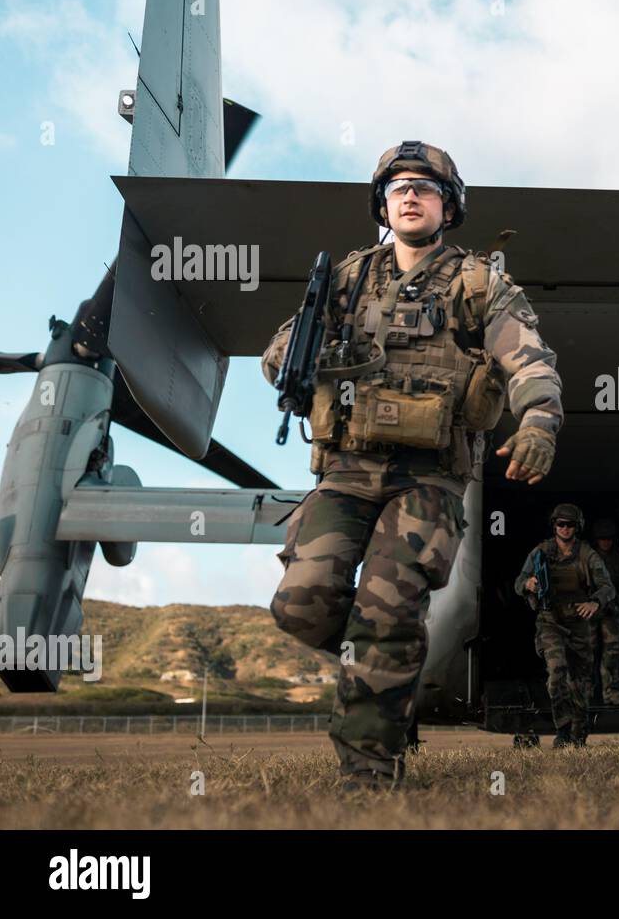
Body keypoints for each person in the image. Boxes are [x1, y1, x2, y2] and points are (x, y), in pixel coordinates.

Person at [261, 140, 563, 789]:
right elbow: (277, 355)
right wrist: (299, 353)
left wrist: (539, 419)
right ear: (382, 203)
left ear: (448, 206)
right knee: (301, 605)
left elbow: (528, 358)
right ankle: (388, 676)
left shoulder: (481, 284)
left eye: (424, 188)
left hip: (428, 476)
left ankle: (368, 772)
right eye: (397, 187)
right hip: (346, 470)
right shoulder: (343, 279)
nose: (410, 195)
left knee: (388, 609)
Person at [514, 504, 614, 746]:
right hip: (550, 622)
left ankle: (578, 734)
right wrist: (528, 584)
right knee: (557, 672)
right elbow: (518, 583)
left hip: (578, 623)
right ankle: (563, 729)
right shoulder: (541, 552)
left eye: (569, 524)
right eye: (561, 524)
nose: (565, 528)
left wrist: (594, 603)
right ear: (554, 525)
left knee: (580, 683)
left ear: (577, 527)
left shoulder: (586, 554)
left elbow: (607, 587)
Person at [589, 517, 619, 705]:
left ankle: (611, 692)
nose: (605, 542)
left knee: (611, 652)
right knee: (587, 652)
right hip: (589, 611)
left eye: (608, 538)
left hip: (611, 611)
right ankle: (587, 690)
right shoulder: (588, 557)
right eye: (602, 538)